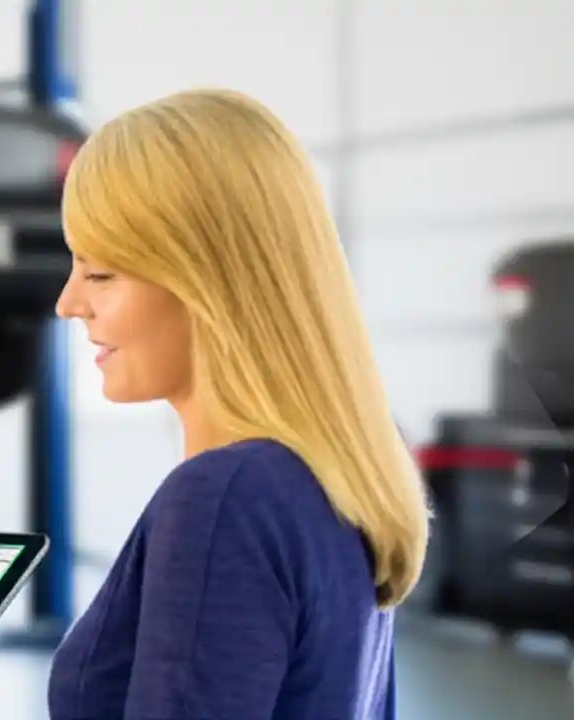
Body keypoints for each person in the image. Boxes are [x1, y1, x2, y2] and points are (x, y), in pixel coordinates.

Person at [47, 89, 430, 719]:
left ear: (205, 280)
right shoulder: (336, 481)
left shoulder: (224, 498)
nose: (69, 303)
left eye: (101, 273)